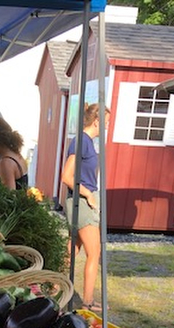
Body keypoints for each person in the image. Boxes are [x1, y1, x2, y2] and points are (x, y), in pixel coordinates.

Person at [61, 103, 110, 312]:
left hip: (82, 201)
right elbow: (66, 177)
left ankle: (55, 289)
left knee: (72, 251)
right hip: (82, 203)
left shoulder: (87, 142)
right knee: (94, 252)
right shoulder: (81, 142)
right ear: (97, 121)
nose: (107, 127)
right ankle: (88, 302)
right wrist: (89, 195)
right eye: (106, 123)